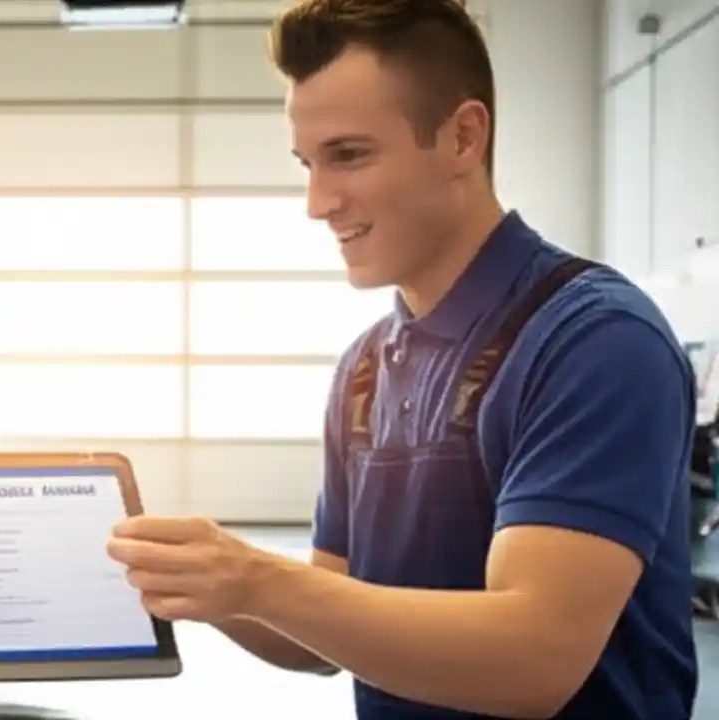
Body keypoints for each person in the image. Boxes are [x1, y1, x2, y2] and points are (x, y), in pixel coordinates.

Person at [107, 1, 698, 719]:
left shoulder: (595, 341)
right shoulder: (365, 370)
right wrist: (201, 580)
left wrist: (256, 579)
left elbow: (535, 659)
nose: (318, 202)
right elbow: (325, 635)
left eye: (349, 155)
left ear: (462, 137)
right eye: (308, 163)